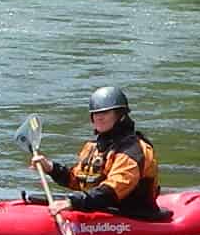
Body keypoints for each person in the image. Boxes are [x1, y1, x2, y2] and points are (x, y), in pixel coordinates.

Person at [29, 85, 167, 221]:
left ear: (120, 116)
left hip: (132, 216)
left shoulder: (133, 151)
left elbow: (111, 192)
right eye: (96, 113)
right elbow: (79, 181)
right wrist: (51, 168)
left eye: (105, 113)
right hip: (103, 209)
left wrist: (73, 202)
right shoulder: (93, 147)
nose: (99, 118)